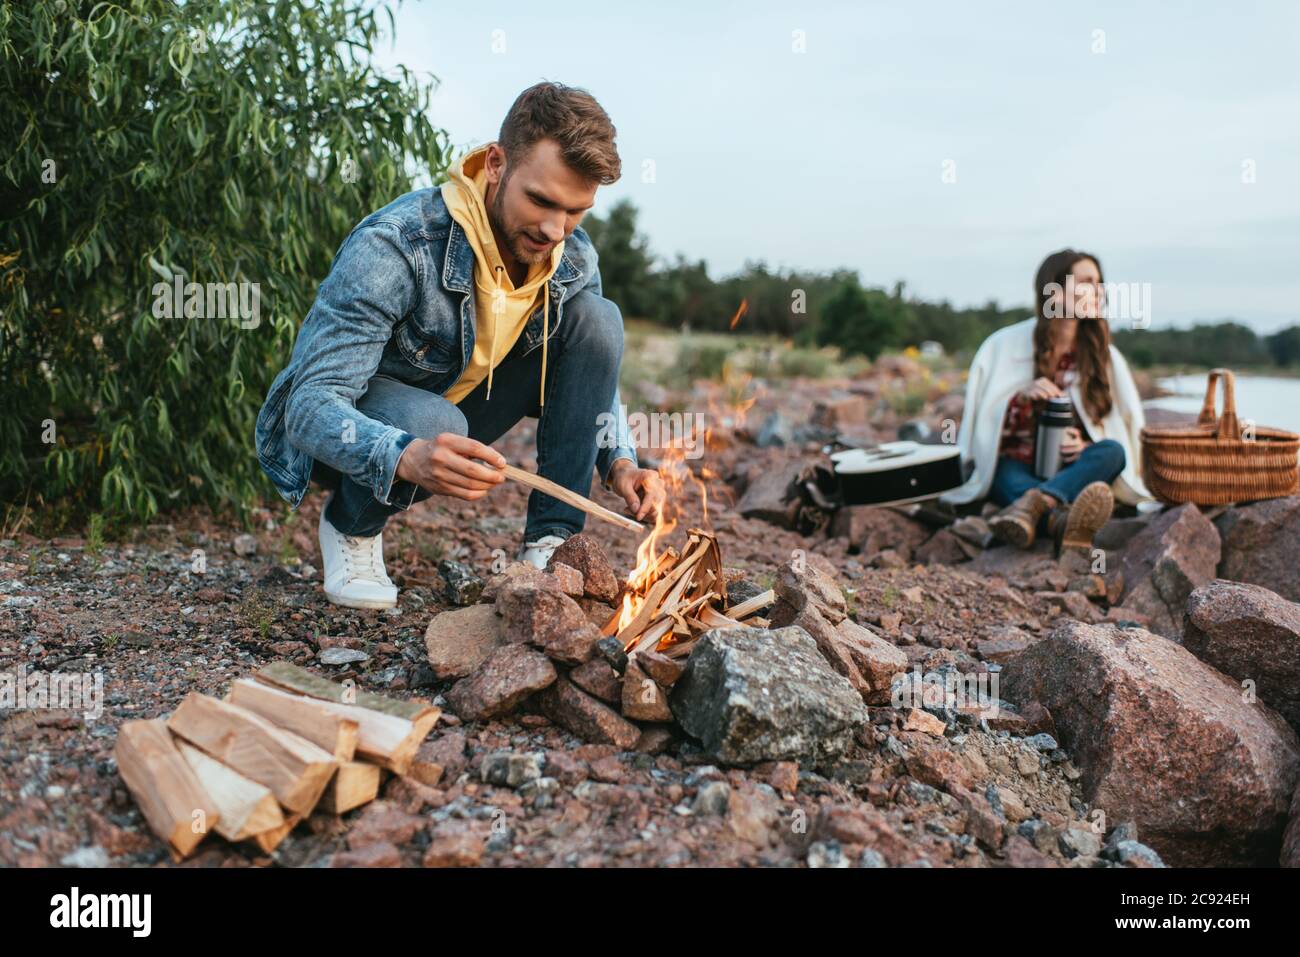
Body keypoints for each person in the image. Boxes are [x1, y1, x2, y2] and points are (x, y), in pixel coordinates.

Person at [256, 82, 665, 609]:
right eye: (540, 200)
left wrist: (619, 461)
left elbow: (593, 370)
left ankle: (553, 543)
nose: (554, 229)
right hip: (362, 426)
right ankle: (351, 525)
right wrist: (405, 454)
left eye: (575, 211)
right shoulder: (396, 246)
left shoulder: (571, 253)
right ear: (496, 163)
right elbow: (307, 406)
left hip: (460, 403)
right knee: (436, 424)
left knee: (598, 319)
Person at [941, 249, 1151, 553]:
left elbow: (1119, 426)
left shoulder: (1105, 357)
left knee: (1112, 452)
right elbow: (984, 431)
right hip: (1018, 465)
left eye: (1099, 282)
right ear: (1054, 288)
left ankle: (1035, 507)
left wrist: (1083, 446)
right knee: (1006, 476)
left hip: (1073, 468)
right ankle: (1058, 521)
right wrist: (1019, 398)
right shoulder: (1004, 345)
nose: (1098, 290)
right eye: (1086, 282)